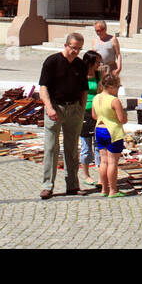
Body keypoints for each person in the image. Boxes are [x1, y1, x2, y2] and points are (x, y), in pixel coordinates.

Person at [37, 32, 88, 199]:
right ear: (66, 45)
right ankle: (47, 186)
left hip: (74, 109)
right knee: (51, 148)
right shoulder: (52, 61)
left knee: (72, 148)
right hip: (55, 108)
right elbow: (43, 87)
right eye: (73, 48)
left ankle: (73, 185)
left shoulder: (80, 65)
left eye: (79, 49)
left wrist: (81, 107)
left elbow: (84, 89)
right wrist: (49, 108)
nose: (76, 52)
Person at [91, 72, 127, 197]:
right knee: (112, 162)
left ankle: (104, 189)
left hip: (99, 129)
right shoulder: (114, 100)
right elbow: (122, 119)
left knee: (103, 161)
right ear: (112, 87)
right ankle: (113, 190)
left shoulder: (96, 98)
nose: (118, 89)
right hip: (112, 131)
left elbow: (94, 116)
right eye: (117, 87)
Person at [77, 50, 102, 188]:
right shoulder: (82, 76)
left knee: (99, 145)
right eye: (97, 62)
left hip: (97, 112)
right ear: (91, 62)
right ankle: (86, 175)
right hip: (84, 112)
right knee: (86, 147)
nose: (99, 64)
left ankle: (100, 175)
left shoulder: (98, 75)